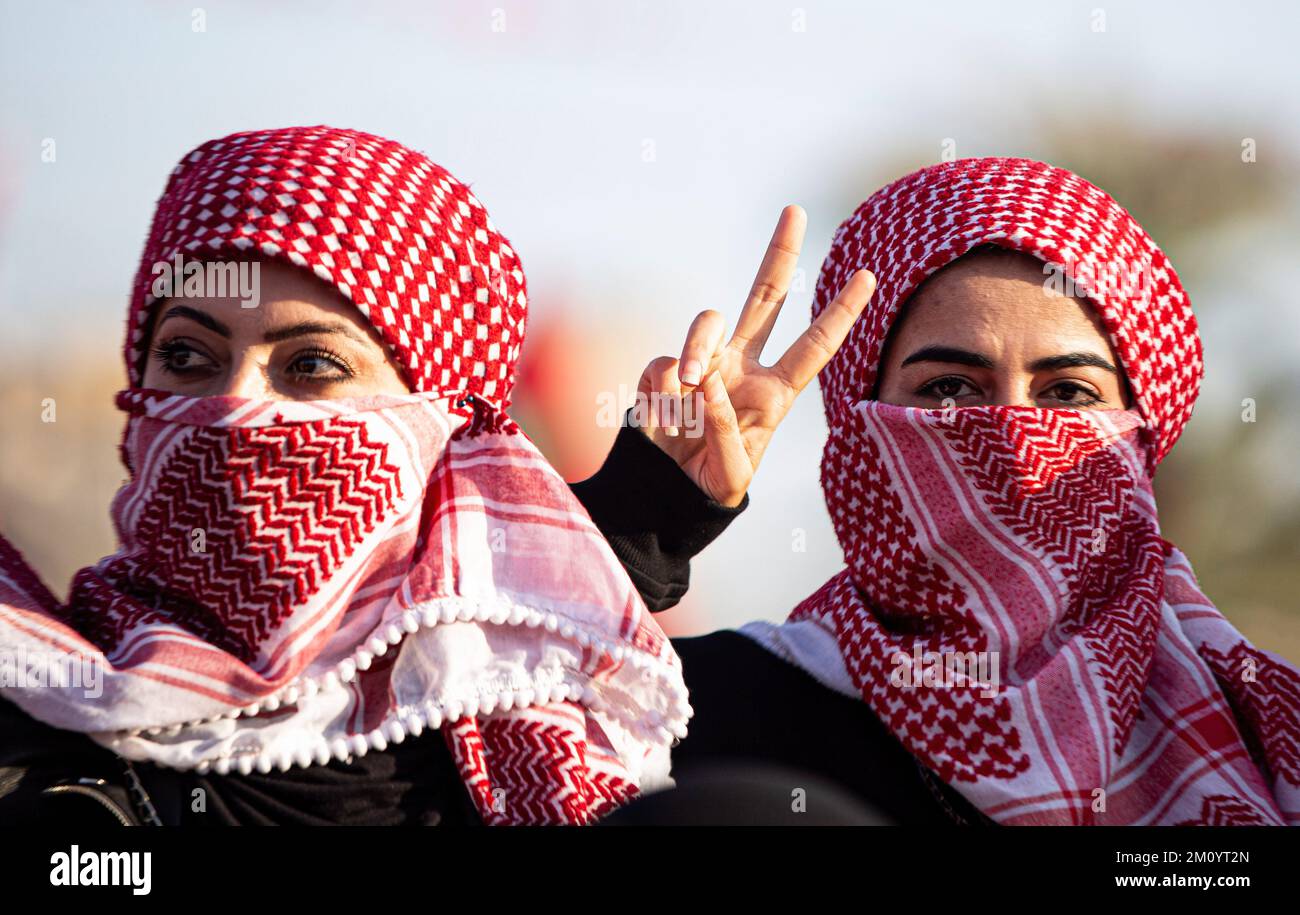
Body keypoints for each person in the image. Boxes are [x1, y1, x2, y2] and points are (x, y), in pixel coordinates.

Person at [0, 125, 875, 825]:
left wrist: (642, 518)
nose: (234, 407)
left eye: (309, 367)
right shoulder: (35, 712)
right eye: (186, 354)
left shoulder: (518, 721)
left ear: (440, 417)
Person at [650, 157, 1300, 826]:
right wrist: (642, 523)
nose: (1015, 438)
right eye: (949, 388)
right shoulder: (693, 710)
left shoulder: (1270, 736)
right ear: (859, 419)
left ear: (1140, 435)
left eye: (1068, 394)